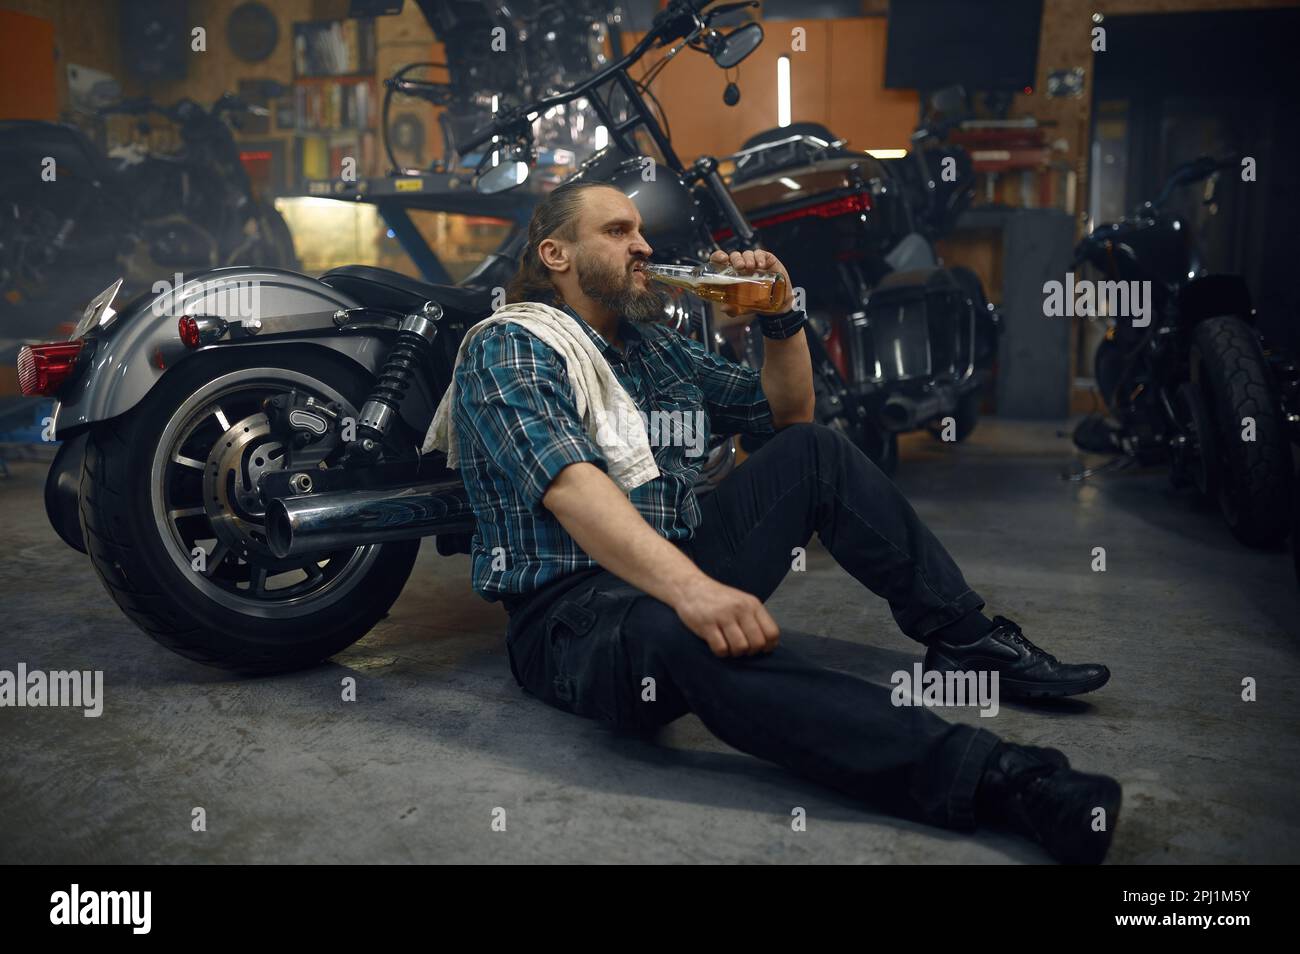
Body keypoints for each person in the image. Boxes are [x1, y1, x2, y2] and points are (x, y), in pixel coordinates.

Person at [448, 179, 1121, 863]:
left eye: (641, 231)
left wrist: (780, 316)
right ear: (557, 253)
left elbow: (787, 414)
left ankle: (966, 637)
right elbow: (572, 487)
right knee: (682, 628)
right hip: (574, 616)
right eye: (618, 232)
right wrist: (693, 590)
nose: (644, 245)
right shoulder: (511, 345)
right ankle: (1003, 778)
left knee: (815, 452)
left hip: (673, 554)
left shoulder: (650, 342)